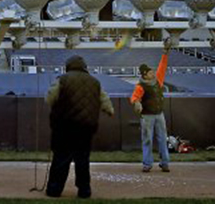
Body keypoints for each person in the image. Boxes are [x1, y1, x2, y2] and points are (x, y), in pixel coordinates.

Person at [45, 55, 115, 199]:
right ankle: (84, 190)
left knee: (61, 157)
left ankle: (54, 189)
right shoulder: (94, 82)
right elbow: (105, 100)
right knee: (82, 159)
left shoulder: (63, 79)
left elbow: (50, 97)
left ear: (68, 66)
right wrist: (110, 111)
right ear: (84, 67)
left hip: (65, 125)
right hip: (86, 127)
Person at [130, 41, 171, 173]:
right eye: (149, 72)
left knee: (162, 139)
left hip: (159, 114)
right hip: (147, 116)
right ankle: (147, 164)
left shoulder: (157, 80)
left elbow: (162, 66)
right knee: (147, 140)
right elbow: (134, 97)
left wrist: (165, 53)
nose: (153, 72)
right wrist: (136, 102)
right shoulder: (140, 86)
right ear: (144, 74)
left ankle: (165, 163)